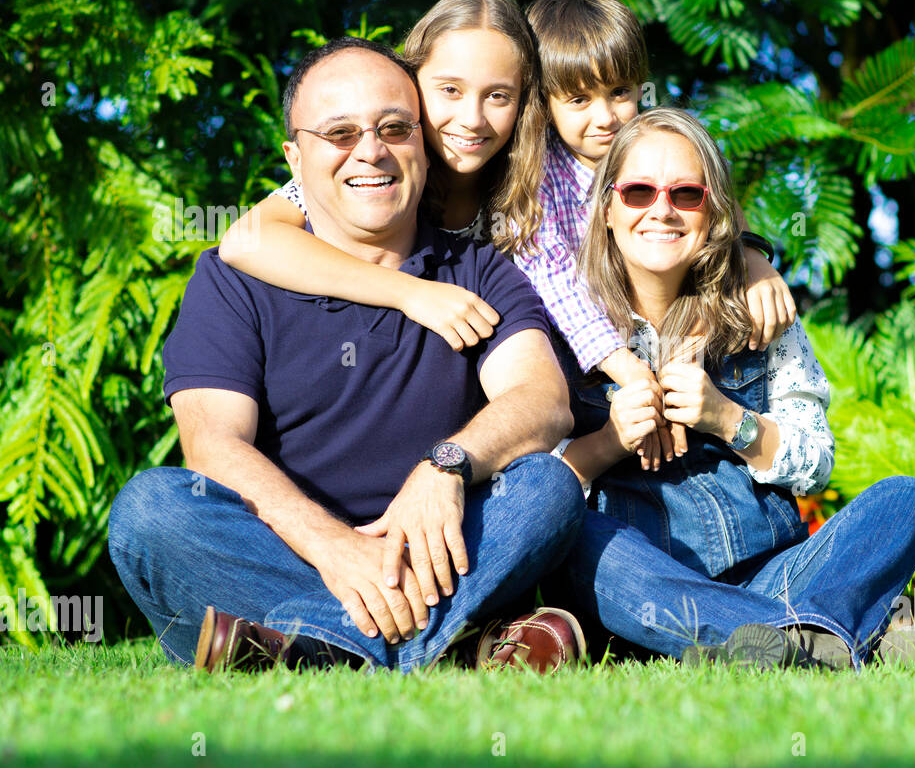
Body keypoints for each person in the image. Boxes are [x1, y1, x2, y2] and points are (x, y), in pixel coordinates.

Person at [107, 36, 587, 674]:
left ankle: (309, 650)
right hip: (288, 550)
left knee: (546, 486)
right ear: (294, 157)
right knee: (152, 509)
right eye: (339, 133)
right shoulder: (234, 280)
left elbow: (542, 401)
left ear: (422, 143)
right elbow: (213, 447)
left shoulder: (478, 270)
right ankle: (442, 649)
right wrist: (335, 549)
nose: (371, 151)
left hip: (444, 552)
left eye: (395, 128)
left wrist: (443, 467)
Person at [216, 0, 797, 471]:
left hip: (526, 410)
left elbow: (681, 181)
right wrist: (412, 293)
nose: (471, 119)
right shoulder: (381, 170)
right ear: (411, 82)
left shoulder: (538, 178)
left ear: (526, 103)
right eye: (447, 91)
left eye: (498, 96)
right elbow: (246, 239)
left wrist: (748, 254)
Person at [555, 108, 915, 670]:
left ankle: (761, 639)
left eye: (686, 195)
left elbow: (817, 463)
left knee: (908, 500)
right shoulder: (567, 326)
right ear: (607, 208)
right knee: (577, 539)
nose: (661, 209)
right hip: (647, 583)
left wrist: (728, 418)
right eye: (638, 191)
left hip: (774, 572)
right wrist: (613, 440)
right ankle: (818, 636)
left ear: (715, 215)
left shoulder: (761, 317)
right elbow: (533, 479)